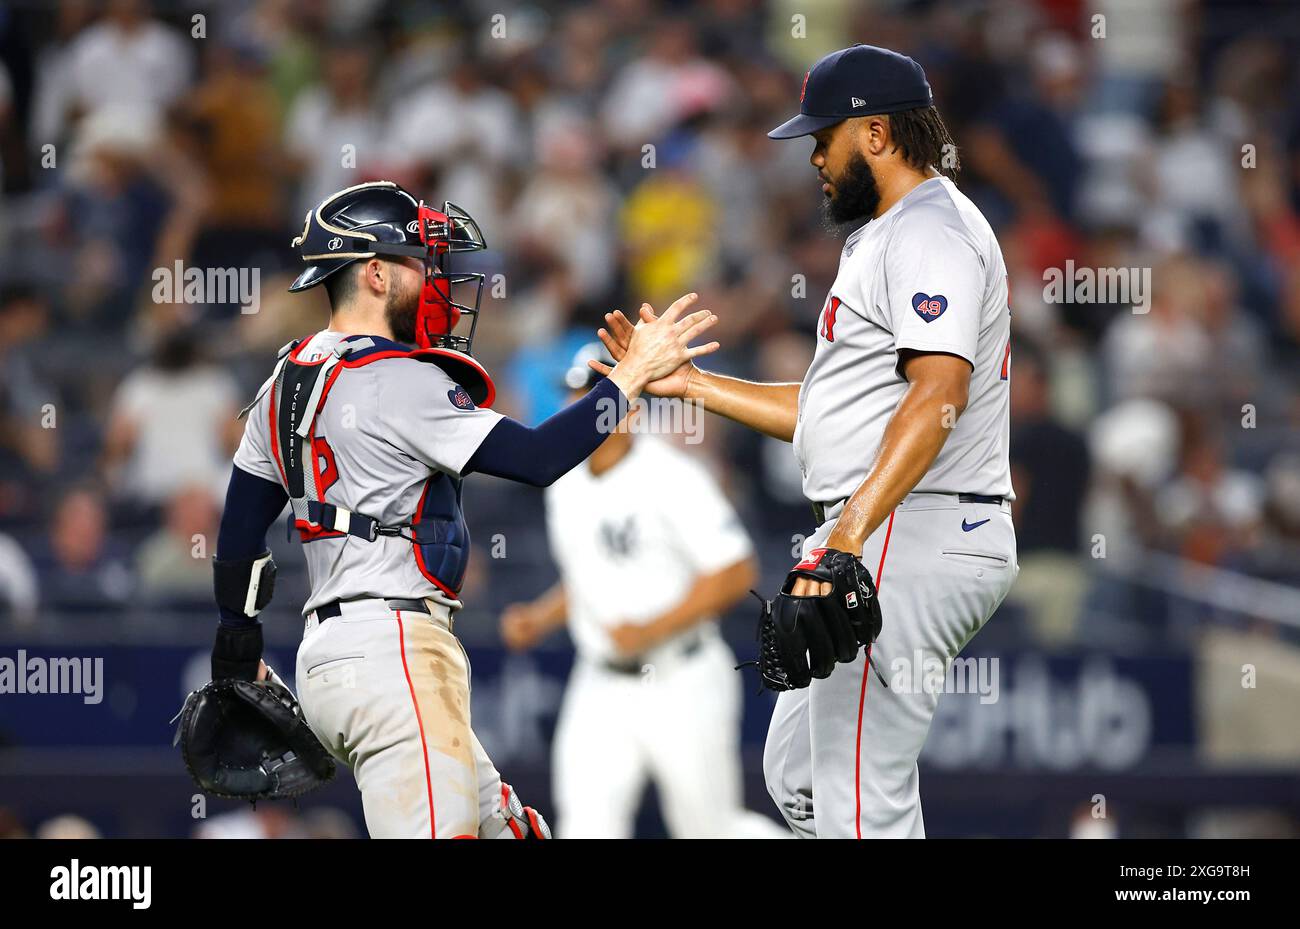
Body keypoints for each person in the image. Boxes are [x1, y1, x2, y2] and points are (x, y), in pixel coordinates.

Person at [207, 180, 717, 838]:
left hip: (330, 660)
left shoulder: (283, 382)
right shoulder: (399, 378)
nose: (439, 280)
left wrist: (235, 653)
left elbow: (240, 534)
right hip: (394, 654)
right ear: (374, 273)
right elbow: (537, 458)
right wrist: (630, 377)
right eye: (421, 262)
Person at [595, 46, 1018, 838]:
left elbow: (938, 396)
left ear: (879, 133)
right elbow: (833, 412)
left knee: (862, 799)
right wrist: (690, 387)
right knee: (802, 782)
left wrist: (847, 538)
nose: (816, 156)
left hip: (912, 521)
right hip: (892, 518)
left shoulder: (930, 229)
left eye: (826, 136)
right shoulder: (888, 234)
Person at [500, 344, 786, 839]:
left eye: (596, 396)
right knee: (586, 827)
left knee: (709, 829)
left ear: (630, 408)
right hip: (600, 682)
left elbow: (736, 571)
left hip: (682, 675)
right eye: (576, 396)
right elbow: (589, 574)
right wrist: (540, 617)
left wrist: (650, 629)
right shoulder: (562, 479)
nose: (582, 408)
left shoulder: (671, 475)